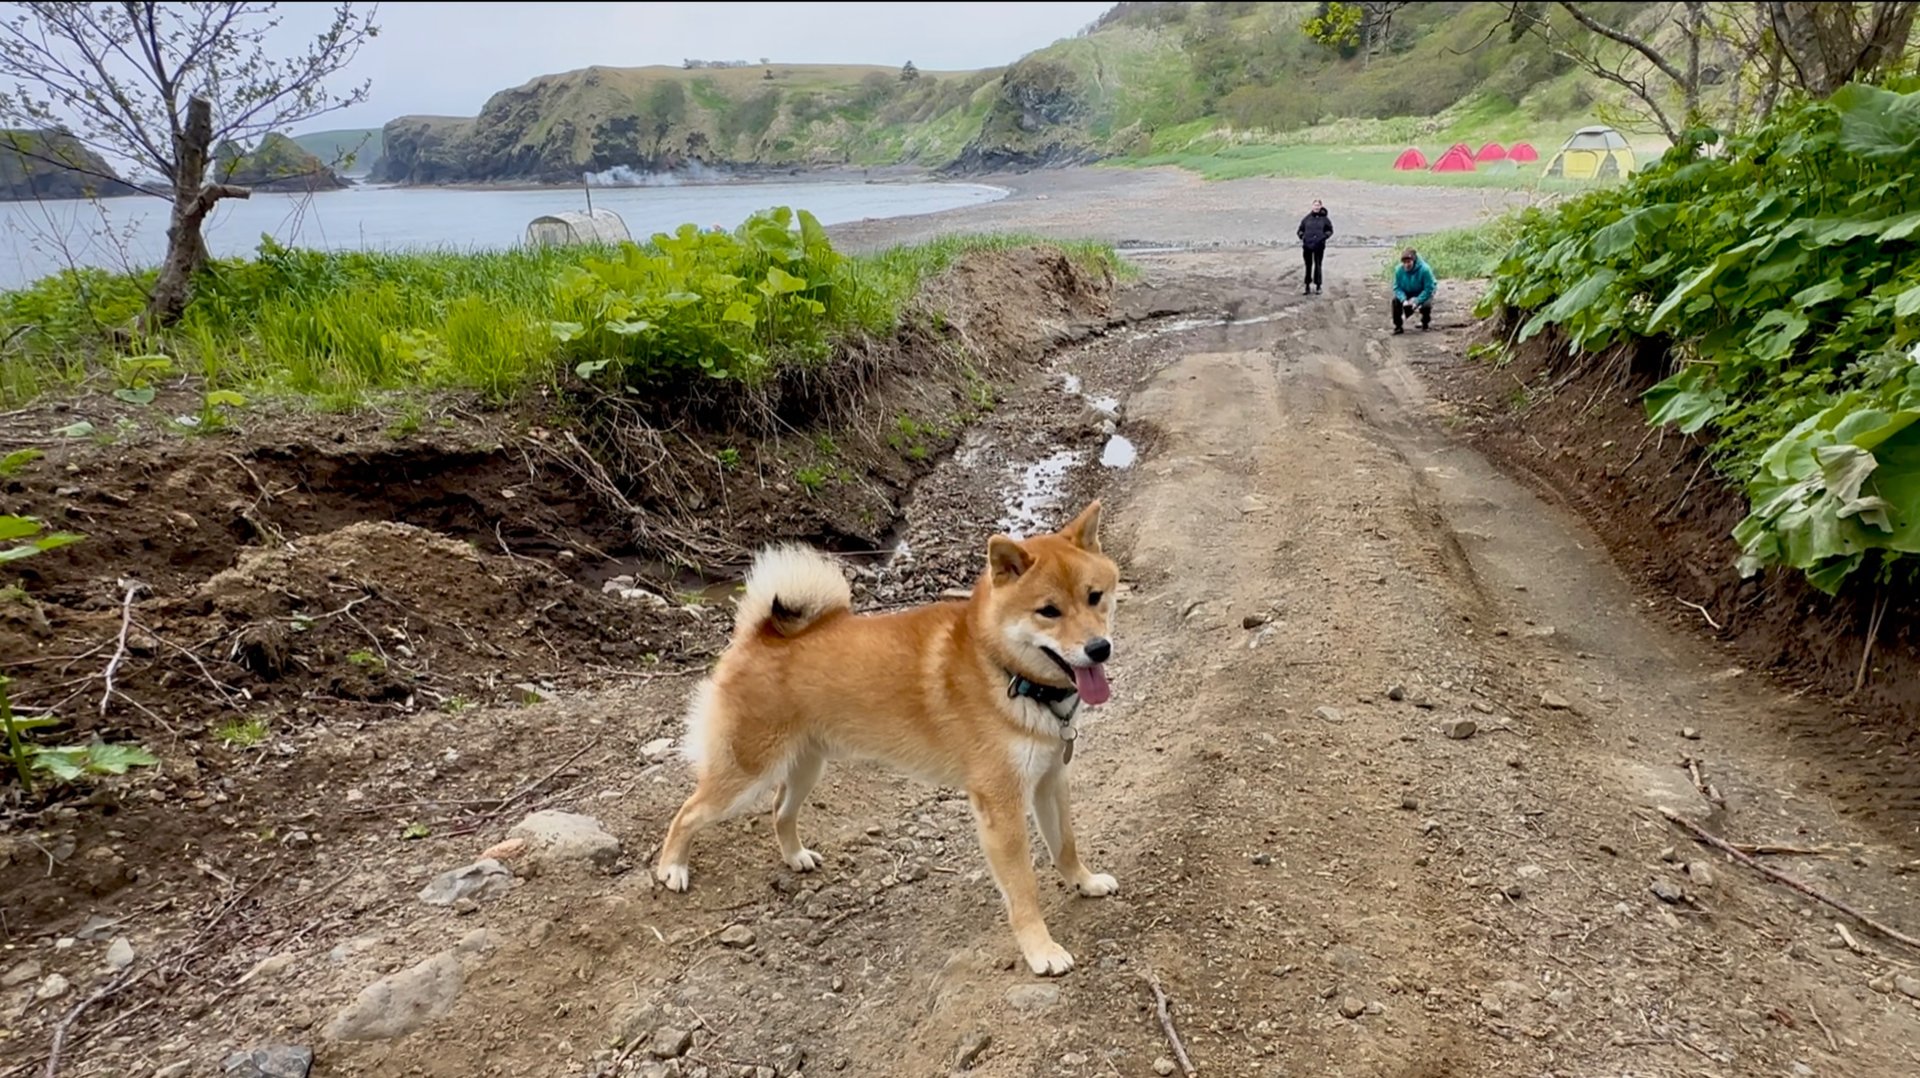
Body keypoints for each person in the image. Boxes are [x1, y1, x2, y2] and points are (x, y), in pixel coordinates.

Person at [1392, 247, 1436, 334]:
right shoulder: (1398, 270)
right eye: (1404, 262)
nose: (1406, 265)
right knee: (1395, 301)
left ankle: (1425, 322)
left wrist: (1417, 301)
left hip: (1423, 291)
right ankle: (1398, 326)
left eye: (1409, 262)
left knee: (1426, 305)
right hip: (1407, 291)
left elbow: (1429, 288)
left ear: (1414, 261)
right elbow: (1397, 287)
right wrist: (1403, 299)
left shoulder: (1425, 270)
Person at [1296, 199, 1332, 295]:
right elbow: (1300, 230)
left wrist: (1324, 237)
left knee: (1318, 265)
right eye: (1315, 205)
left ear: (1321, 206)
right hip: (1307, 246)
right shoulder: (1307, 219)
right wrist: (1302, 236)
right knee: (1308, 266)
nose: (1316, 207)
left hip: (1319, 246)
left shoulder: (1325, 219)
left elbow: (1330, 230)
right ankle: (1307, 286)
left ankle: (1318, 286)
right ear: (1312, 206)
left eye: (1318, 205)